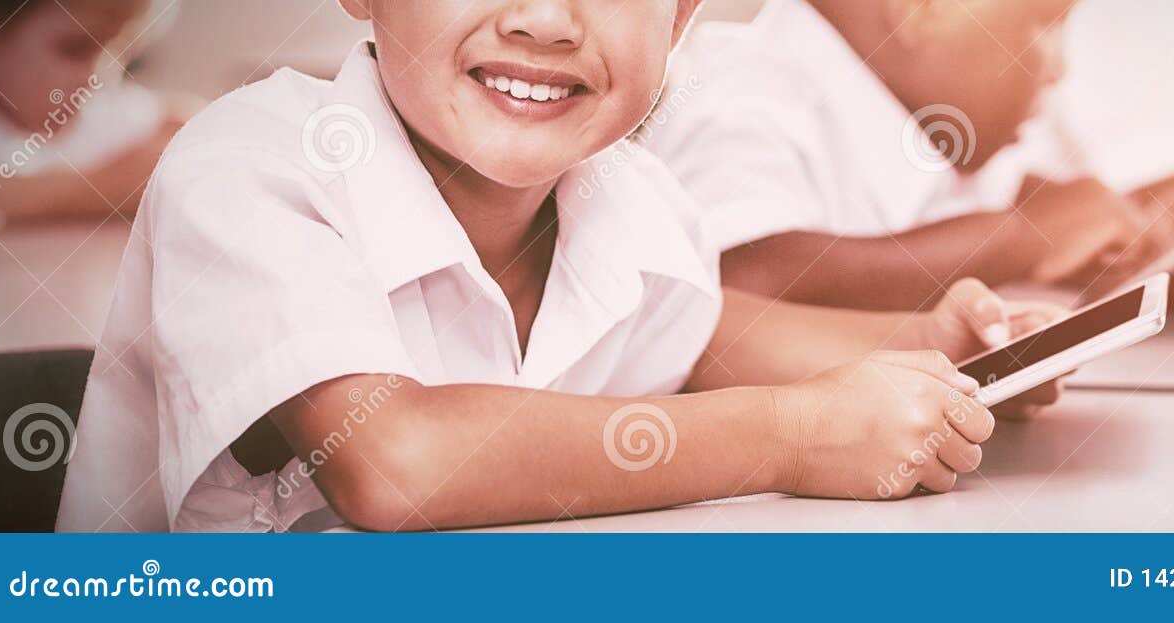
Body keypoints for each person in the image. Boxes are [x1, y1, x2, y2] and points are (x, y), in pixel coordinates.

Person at [57, 0, 1060, 533]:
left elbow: (707, 333)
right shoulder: (248, 162)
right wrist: (790, 434)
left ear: (679, 19)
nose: (544, 18)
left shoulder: (627, 194)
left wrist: (937, 346)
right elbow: (393, 462)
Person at [643, 0, 1174, 312]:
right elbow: (738, 281)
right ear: (927, 8)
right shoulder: (745, 93)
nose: (1060, 68)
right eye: (1044, 23)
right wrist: (1025, 237)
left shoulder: (927, 126)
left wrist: (1126, 244)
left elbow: (986, 210)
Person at [0, 0, 192, 229]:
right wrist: (104, 185)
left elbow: (182, 127)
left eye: (119, 52)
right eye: (76, 48)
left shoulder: (99, 113)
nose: (96, 79)